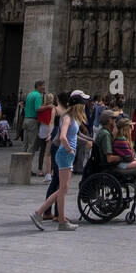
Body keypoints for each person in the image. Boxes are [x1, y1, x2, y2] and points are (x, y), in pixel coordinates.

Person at [30, 89, 92, 231]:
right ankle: (39, 213)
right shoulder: (67, 117)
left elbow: (73, 136)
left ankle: (61, 220)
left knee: (63, 189)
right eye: (83, 104)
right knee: (62, 188)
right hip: (65, 154)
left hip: (66, 155)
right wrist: (70, 149)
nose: (84, 106)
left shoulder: (71, 117)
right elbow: (63, 136)